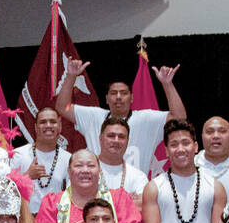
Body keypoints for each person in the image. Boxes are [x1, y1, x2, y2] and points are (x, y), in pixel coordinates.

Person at [56, 58, 187, 175]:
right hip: (97, 191)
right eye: (113, 93)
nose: (118, 97)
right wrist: (71, 77)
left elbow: (179, 118)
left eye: (123, 93)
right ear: (107, 99)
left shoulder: (146, 119)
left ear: (132, 98)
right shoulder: (94, 116)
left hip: (134, 192)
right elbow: (63, 107)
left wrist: (167, 84)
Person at [142, 119, 226, 223]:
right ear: (166, 150)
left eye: (185, 143)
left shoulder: (215, 186)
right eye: (174, 144)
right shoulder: (154, 187)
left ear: (195, 147)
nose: (180, 149)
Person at [9, 106, 70, 209]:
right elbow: (5, 191)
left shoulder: (69, 159)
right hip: (25, 219)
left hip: (55, 220)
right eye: (43, 122)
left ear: (59, 127)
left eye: (53, 122)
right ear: (36, 127)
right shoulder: (17, 155)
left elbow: (72, 195)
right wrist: (26, 177)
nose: (48, 126)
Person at [96, 117, 150, 204]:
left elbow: (142, 208)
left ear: (127, 141)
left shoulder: (138, 177)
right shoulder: (84, 171)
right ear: (100, 139)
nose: (116, 140)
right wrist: (127, 201)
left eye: (121, 137)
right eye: (111, 136)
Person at [196, 116, 229, 197]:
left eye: (222, 131)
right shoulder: (191, 165)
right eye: (209, 132)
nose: (216, 136)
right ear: (202, 137)